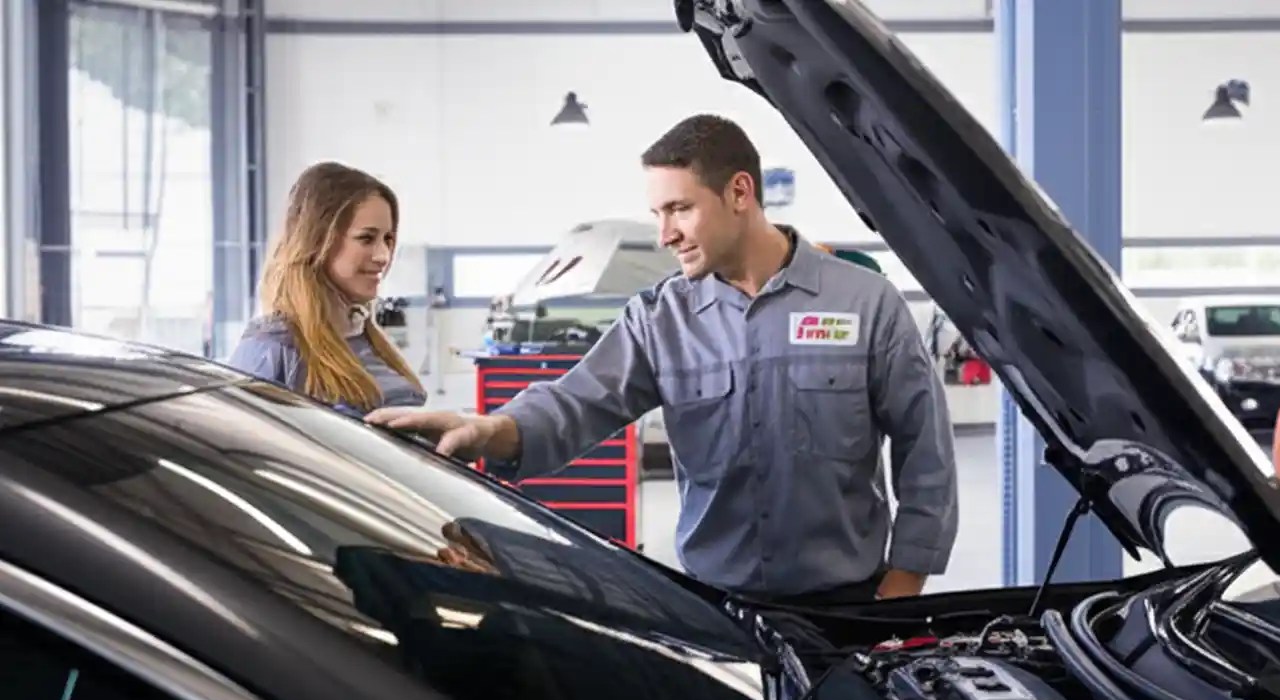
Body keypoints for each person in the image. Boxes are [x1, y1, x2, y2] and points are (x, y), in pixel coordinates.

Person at [366, 114, 958, 606]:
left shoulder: (864, 302)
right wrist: (489, 428)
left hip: (850, 604)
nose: (665, 234)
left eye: (679, 209)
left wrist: (905, 581)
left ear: (740, 192)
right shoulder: (660, 318)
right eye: (657, 214)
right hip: (719, 606)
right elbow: (575, 404)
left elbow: (925, 448)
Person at [227, 161, 426, 415]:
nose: (383, 255)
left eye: (388, 239)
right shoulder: (274, 347)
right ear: (318, 240)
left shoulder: (365, 337)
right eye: (366, 238)